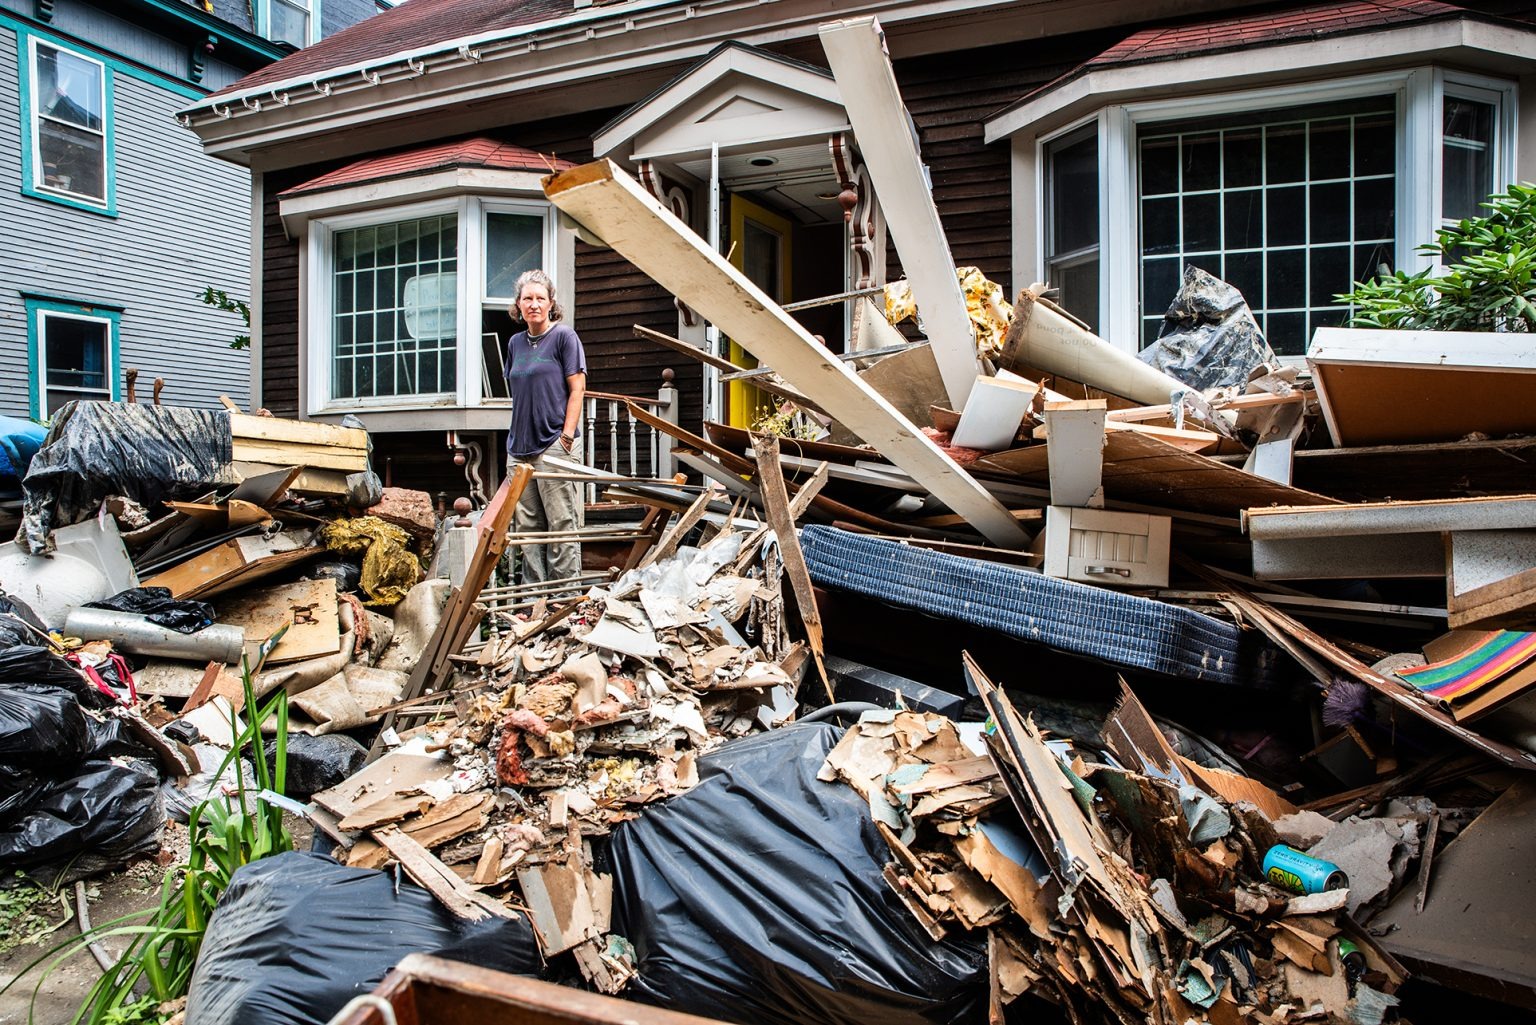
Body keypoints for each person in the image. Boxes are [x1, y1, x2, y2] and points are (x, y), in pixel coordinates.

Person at [504, 269, 587, 591]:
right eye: (528, 298)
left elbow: (577, 389)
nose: (534, 304)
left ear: (551, 302)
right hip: (519, 449)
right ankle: (534, 599)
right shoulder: (515, 343)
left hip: (555, 444)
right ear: (519, 305)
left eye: (540, 298)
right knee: (528, 529)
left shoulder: (564, 338)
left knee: (561, 524)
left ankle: (565, 599)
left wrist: (566, 435)